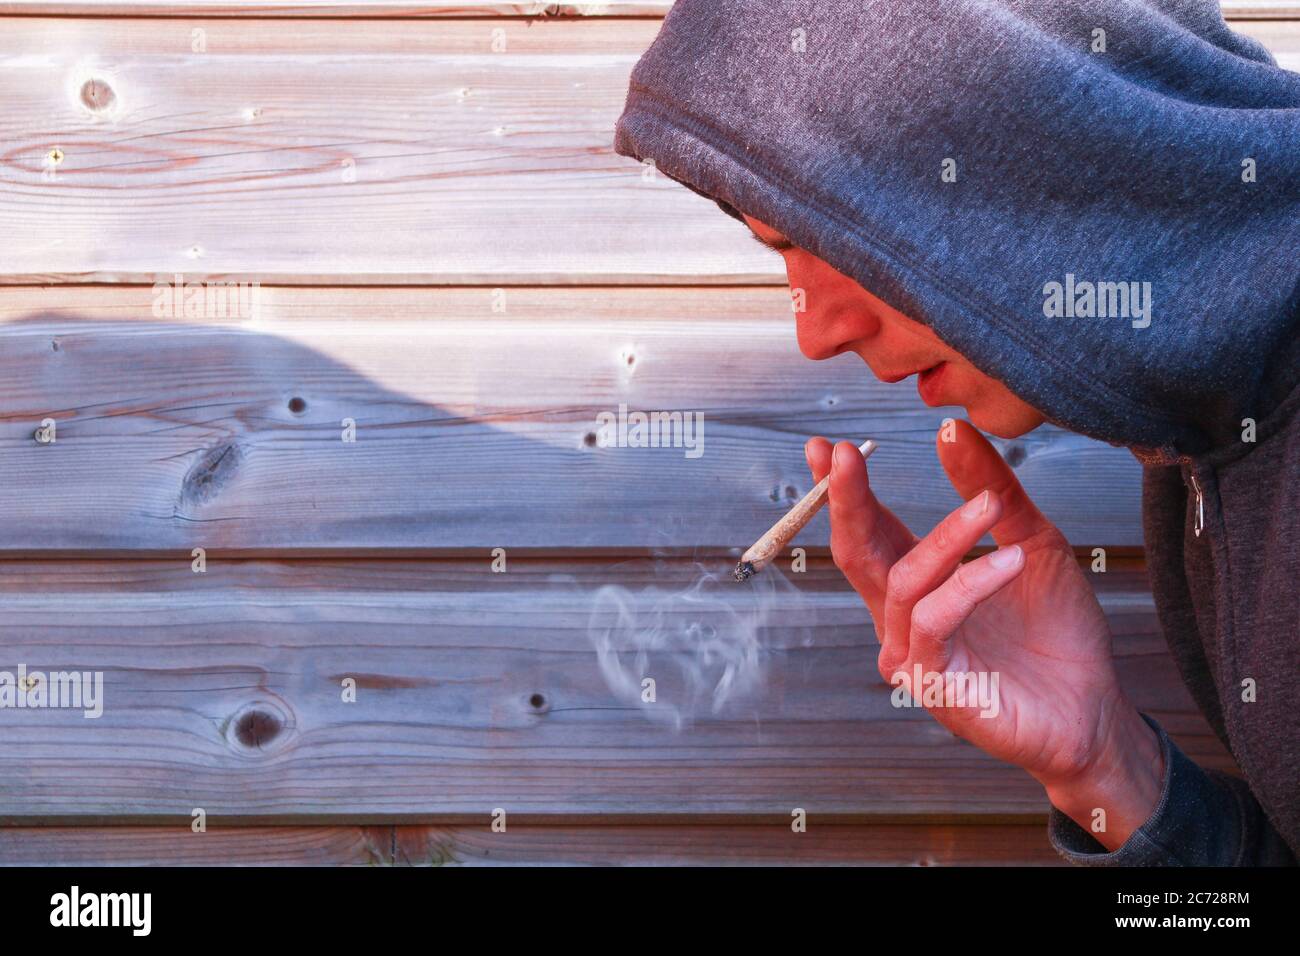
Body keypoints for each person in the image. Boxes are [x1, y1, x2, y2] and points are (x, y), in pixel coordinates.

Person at [615, 0, 1298, 865]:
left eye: (812, 235)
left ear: (1009, 162)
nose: (814, 334)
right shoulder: (1201, 448)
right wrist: (1106, 771)